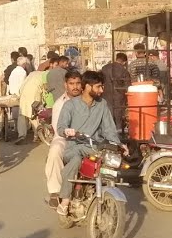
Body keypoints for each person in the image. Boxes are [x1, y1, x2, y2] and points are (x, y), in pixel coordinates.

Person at [55, 71, 124, 215]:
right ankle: (65, 200)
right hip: (74, 147)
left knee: (111, 162)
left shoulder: (102, 104)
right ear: (87, 87)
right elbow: (60, 127)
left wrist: (119, 144)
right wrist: (68, 131)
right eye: (98, 87)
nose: (101, 90)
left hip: (94, 147)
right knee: (74, 159)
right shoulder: (70, 105)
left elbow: (109, 128)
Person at [44, 70, 83, 208]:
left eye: (78, 83)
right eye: (71, 83)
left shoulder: (88, 100)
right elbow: (58, 129)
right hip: (64, 139)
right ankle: (55, 192)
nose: (75, 87)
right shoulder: (59, 104)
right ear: (65, 85)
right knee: (55, 151)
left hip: (86, 139)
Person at [17, 61, 50, 144]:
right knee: (34, 116)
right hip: (34, 96)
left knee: (22, 115)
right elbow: (45, 88)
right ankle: (37, 136)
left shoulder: (32, 73)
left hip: (23, 95)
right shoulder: (45, 74)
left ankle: (21, 135)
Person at [100, 52, 132, 133]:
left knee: (108, 114)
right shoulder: (124, 71)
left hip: (105, 94)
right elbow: (127, 86)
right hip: (119, 96)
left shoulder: (104, 68)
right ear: (124, 62)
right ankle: (119, 133)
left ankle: (108, 132)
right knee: (119, 116)